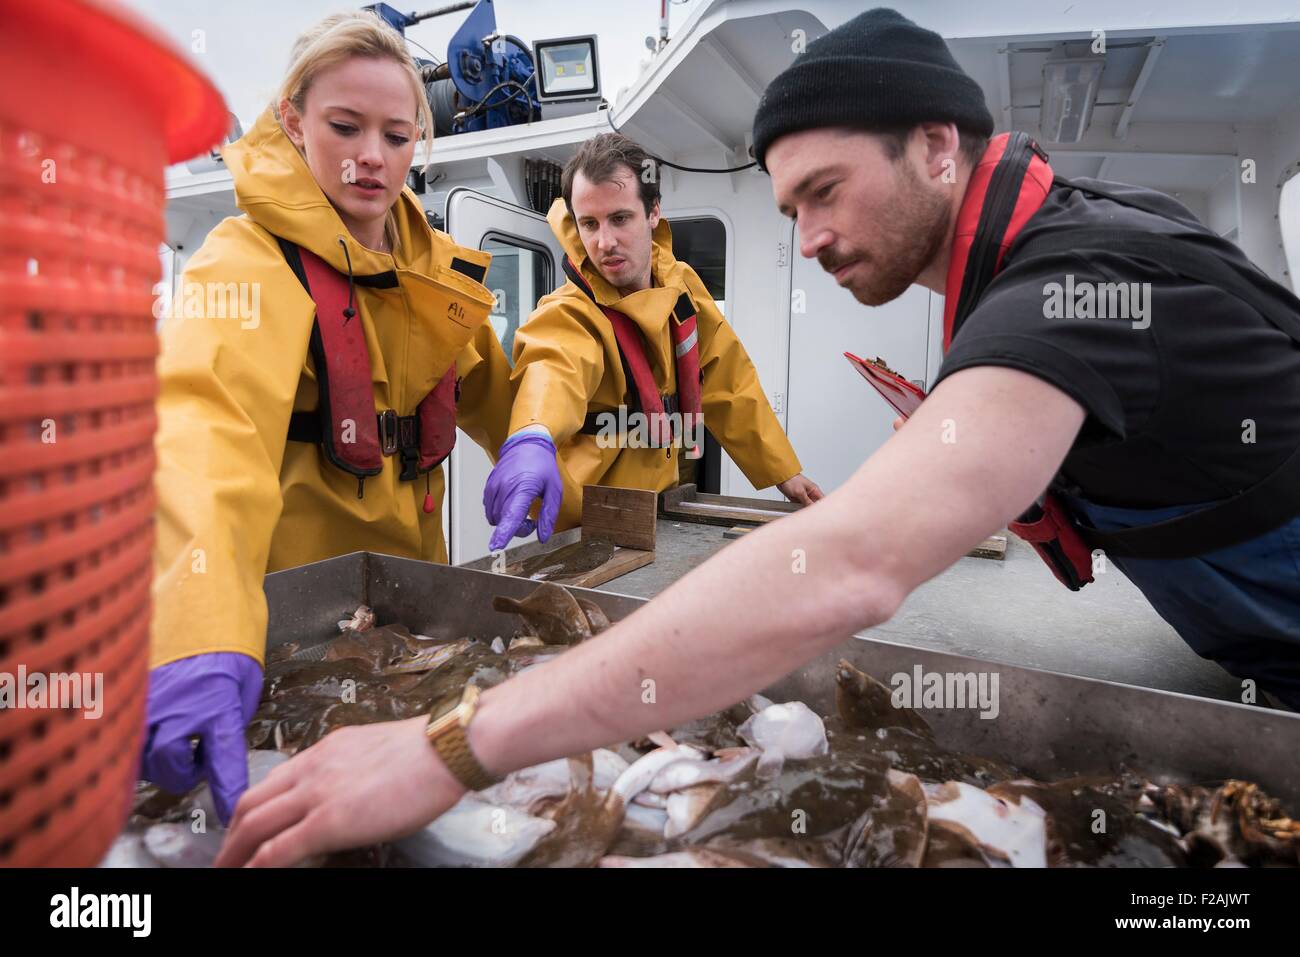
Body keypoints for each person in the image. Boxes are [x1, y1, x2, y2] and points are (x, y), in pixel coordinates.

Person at [216, 7, 1300, 866]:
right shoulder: (1085, 235)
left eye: (825, 192)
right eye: (788, 213)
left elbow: (847, 561)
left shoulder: (1071, 288)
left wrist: (448, 745)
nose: (811, 237)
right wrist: (536, 439)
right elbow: (549, 372)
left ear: (936, 146)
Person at [144, 11, 512, 824]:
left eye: (397, 134)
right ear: (292, 120)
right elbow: (201, 437)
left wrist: (533, 442)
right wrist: (198, 629)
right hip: (285, 643)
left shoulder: (440, 277)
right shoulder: (243, 262)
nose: (371, 155)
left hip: (413, 629)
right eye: (345, 127)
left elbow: (507, 397)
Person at [482, 134, 821, 551]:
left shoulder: (683, 288)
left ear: (654, 211)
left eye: (620, 218)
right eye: (589, 224)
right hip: (587, 525)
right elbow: (553, 368)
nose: (604, 242)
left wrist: (784, 472)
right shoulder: (569, 311)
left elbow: (729, 381)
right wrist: (533, 435)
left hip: (661, 510)